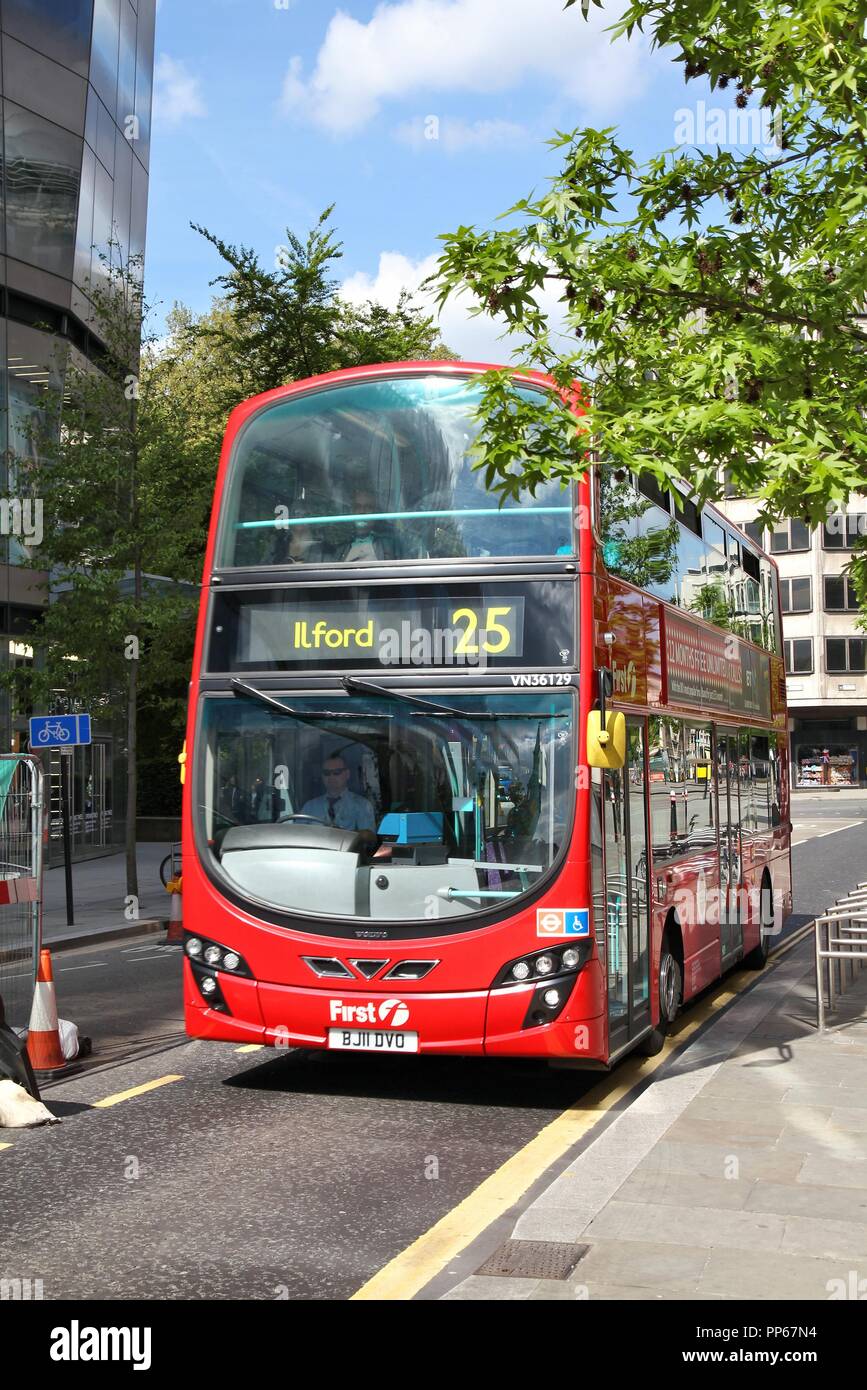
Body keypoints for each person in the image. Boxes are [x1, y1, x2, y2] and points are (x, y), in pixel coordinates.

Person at [301, 755, 376, 831]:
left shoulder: (362, 805)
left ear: (347, 774)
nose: (331, 776)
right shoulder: (310, 807)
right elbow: (298, 835)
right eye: (326, 773)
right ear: (322, 776)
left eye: (337, 772)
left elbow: (368, 837)